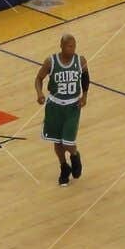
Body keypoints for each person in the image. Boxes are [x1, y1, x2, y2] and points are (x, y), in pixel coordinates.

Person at [34, 33, 88, 186]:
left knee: (68, 141)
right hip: (54, 105)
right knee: (57, 142)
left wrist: (85, 96)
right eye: (70, 46)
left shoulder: (80, 60)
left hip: (72, 105)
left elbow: (86, 78)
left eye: (74, 46)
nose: (73, 49)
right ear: (62, 46)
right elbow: (38, 78)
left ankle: (75, 156)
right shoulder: (51, 61)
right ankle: (64, 167)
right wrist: (39, 93)